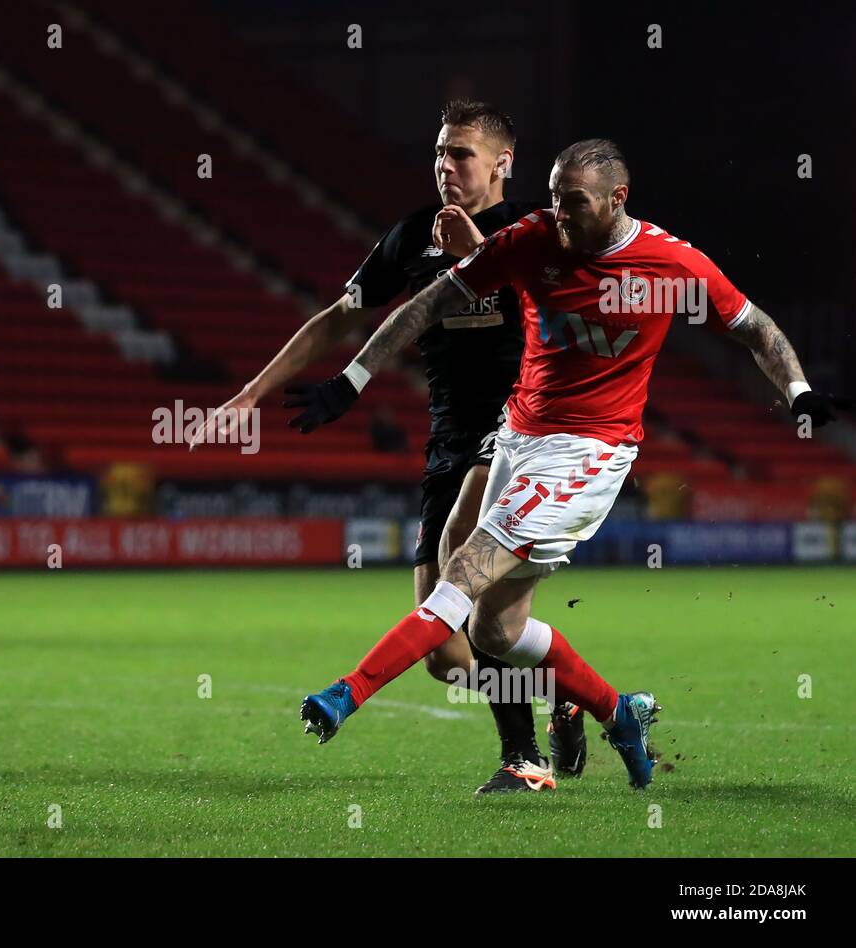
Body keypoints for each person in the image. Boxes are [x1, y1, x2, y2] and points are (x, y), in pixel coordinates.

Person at [290, 138, 843, 789]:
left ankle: (346, 693)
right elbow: (433, 301)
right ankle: (617, 711)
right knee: (495, 631)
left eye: (574, 202)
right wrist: (352, 380)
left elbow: (755, 327)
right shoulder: (534, 238)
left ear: (617, 199)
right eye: (554, 197)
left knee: (464, 570)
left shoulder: (669, 263)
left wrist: (799, 390)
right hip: (517, 435)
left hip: (589, 453)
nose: (561, 212)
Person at [193, 102, 585, 793]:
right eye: (439, 152)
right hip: (448, 438)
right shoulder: (411, 238)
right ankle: (561, 693)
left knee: (460, 570)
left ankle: (524, 759)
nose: (445, 166)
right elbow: (341, 318)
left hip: (521, 429)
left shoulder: (533, 232)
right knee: (441, 649)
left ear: (502, 164)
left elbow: (572, 310)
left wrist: (480, 256)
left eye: (461, 154)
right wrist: (254, 390)